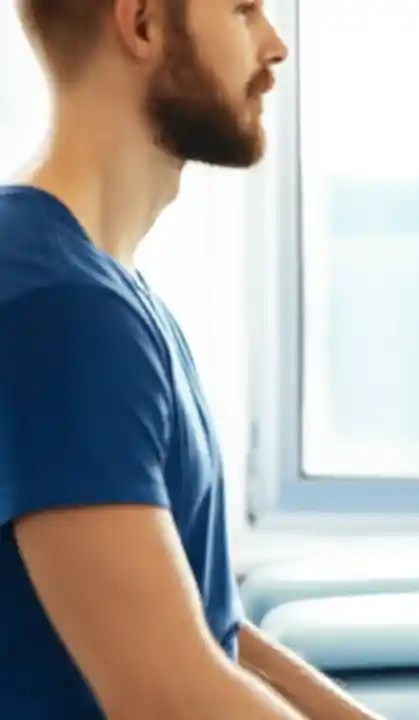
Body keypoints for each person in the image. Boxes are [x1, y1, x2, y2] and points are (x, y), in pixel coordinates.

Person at [0, 1, 381, 717]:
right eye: (242, 11)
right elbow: (168, 694)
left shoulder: (97, 290)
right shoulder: (59, 307)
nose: (275, 49)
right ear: (143, 23)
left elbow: (209, 633)